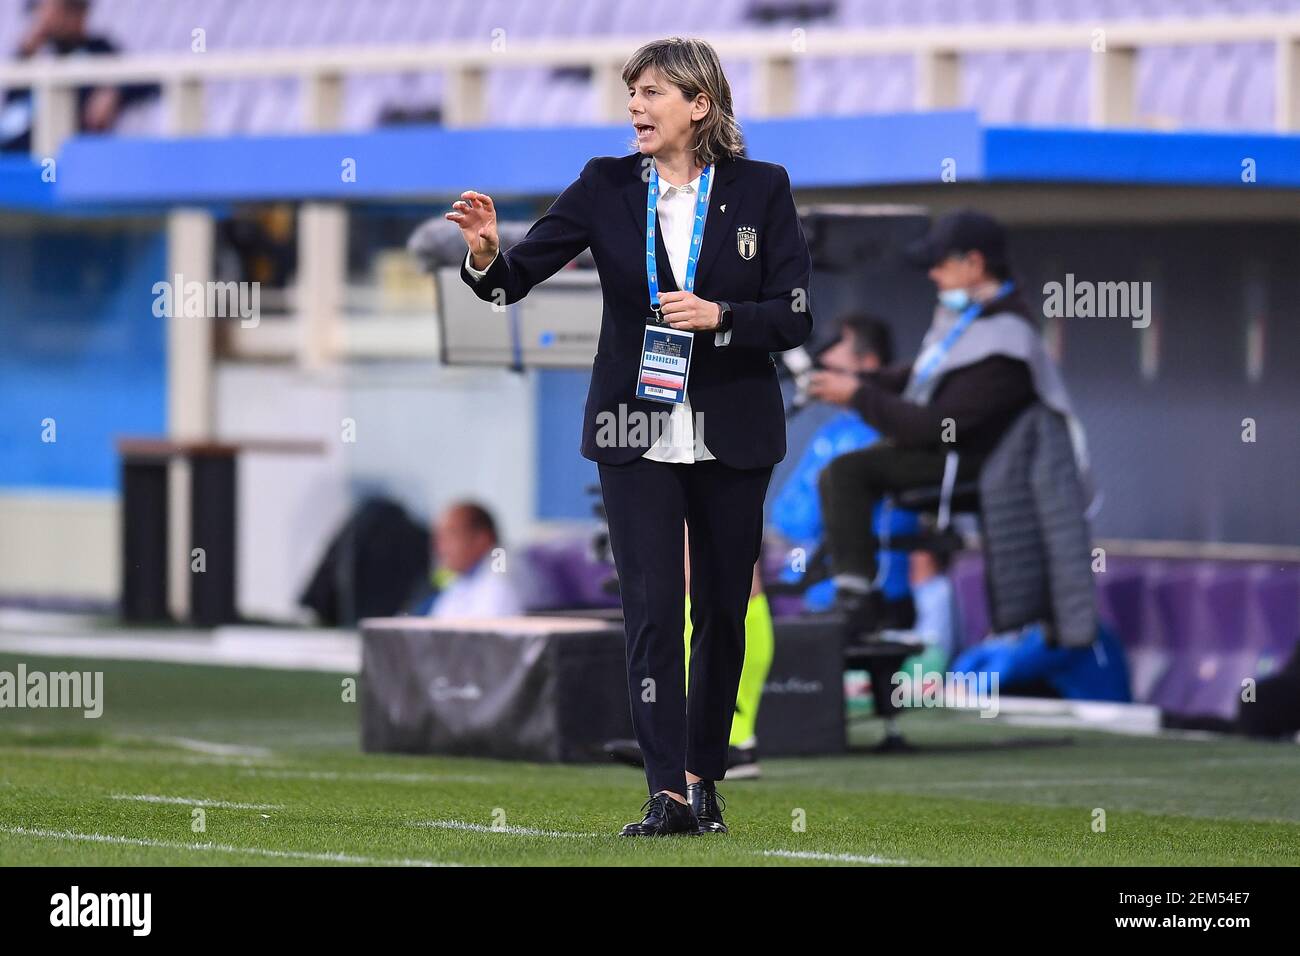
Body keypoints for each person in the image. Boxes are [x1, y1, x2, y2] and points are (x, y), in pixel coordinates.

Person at [447, 36, 813, 836]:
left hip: (733, 428)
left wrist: (723, 318)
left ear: (699, 105)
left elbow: (795, 314)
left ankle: (704, 775)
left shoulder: (763, 189)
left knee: (720, 610)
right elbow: (512, 283)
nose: (635, 108)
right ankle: (665, 794)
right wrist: (483, 255)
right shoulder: (605, 184)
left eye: (650, 93)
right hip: (632, 424)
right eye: (631, 94)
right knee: (651, 610)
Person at [808, 209, 1076, 646]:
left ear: (973, 263)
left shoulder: (1005, 336)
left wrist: (856, 396)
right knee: (846, 470)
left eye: (941, 263)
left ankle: (856, 601)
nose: (932, 274)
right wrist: (851, 381)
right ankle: (861, 596)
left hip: (976, 465)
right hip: (948, 452)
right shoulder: (972, 321)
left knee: (846, 472)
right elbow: (917, 376)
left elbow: (934, 427)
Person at [769, 313, 918, 621]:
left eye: (834, 361)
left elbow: (802, 519)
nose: (822, 365)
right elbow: (784, 517)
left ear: (869, 363)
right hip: (821, 598)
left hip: (874, 602)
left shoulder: (884, 430)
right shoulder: (836, 429)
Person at [1, 0, 157, 153]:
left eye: (54, 11)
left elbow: (144, 83)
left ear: (78, 13)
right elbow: (13, 107)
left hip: (67, 156)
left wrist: (115, 91)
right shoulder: (38, 53)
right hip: (16, 157)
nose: (45, 19)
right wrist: (25, 54)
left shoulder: (99, 50)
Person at [419, 502, 523, 619]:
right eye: (439, 537)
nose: (440, 546)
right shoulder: (461, 580)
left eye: (451, 534)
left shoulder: (502, 581)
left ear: (481, 539)